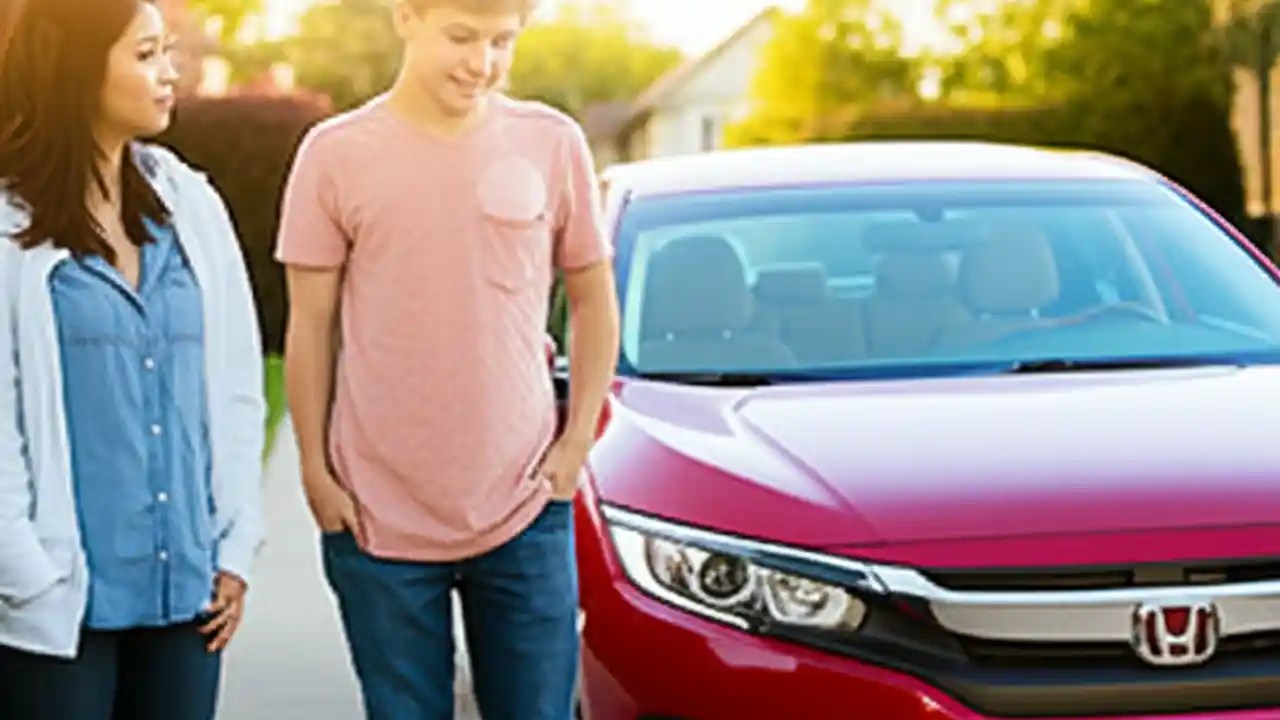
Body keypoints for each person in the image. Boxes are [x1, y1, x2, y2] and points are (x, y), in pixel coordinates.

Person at [275, 0, 620, 717]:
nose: (482, 62)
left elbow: (593, 297)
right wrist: (315, 470)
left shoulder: (552, 143)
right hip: (376, 512)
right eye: (461, 37)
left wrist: (575, 442)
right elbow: (309, 326)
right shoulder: (335, 153)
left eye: (502, 42)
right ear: (407, 16)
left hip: (525, 501)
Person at [0, 0, 267, 718]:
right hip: (57, 610)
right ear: (79, 72)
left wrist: (235, 546)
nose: (168, 73)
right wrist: (26, 574)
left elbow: (236, 388)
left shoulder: (192, 207)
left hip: (185, 594)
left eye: (166, 52)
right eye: (146, 55)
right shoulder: (8, 224)